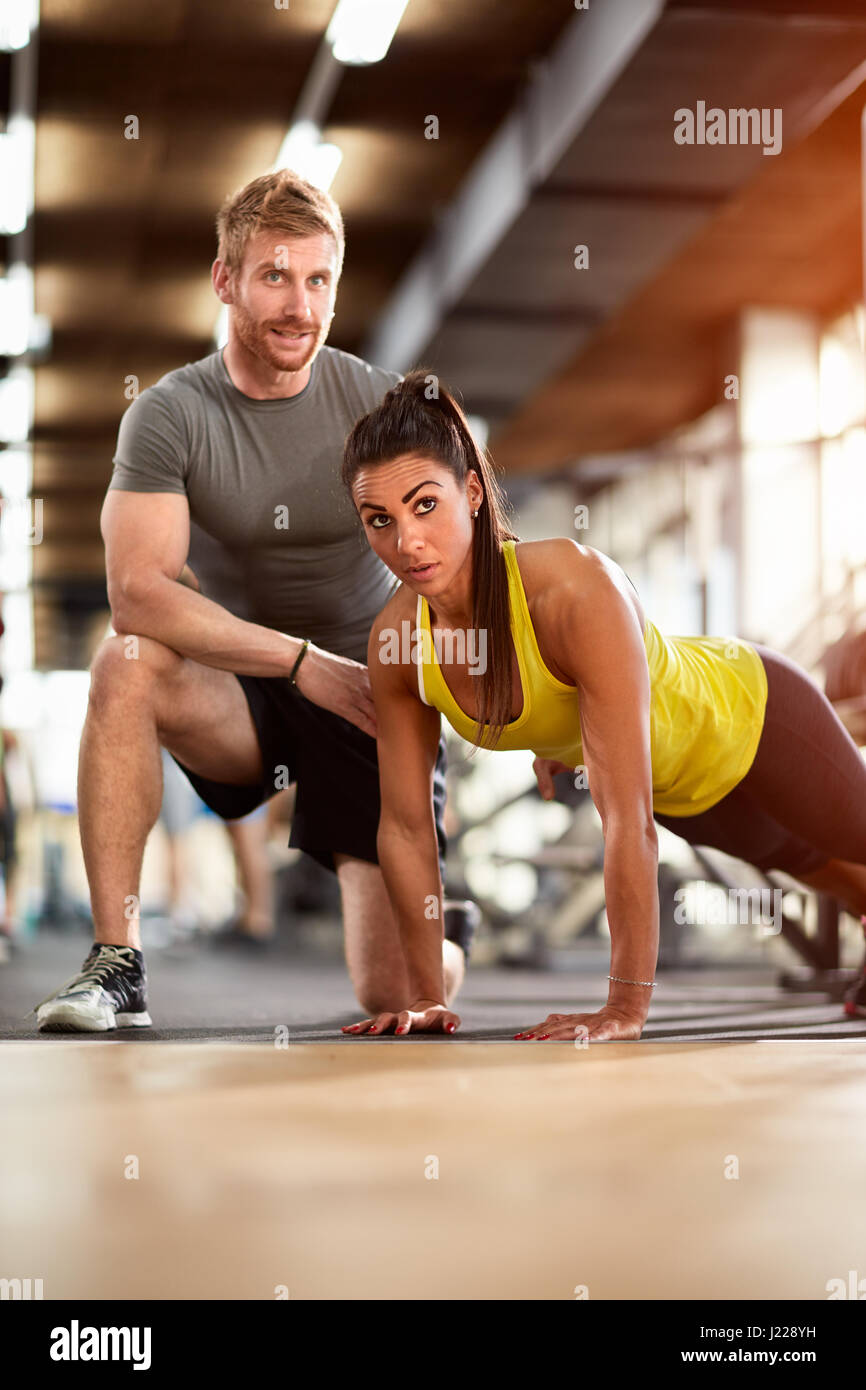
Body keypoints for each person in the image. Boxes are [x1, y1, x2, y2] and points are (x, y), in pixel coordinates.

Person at [33, 170, 474, 1033]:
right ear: (225, 279)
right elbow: (137, 594)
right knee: (125, 663)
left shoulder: (382, 407)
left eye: (319, 281)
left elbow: (473, 563)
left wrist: (529, 712)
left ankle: (446, 931)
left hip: (372, 696)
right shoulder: (169, 416)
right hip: (246, 690)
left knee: (400, 996)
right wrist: (302, 665)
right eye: (275, 276)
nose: (299, 306)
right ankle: (116, 961)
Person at [337, 370, 866, 1042]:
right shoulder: (396, 641)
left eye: (424, 506)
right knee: (812, 863)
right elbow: (408, 828)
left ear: (471, 492)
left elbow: (625, 821)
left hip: (751, 717)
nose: (406, 542)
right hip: (687, 791)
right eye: (378, 520)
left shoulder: (572, 589)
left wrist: (625, 1006)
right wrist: (425, 996)